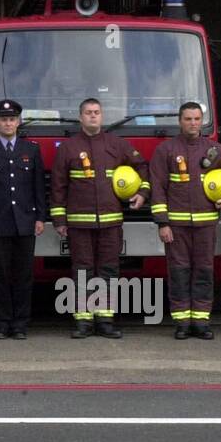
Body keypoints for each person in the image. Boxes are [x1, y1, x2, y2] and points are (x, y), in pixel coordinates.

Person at [49, 97, 149, 340]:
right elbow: (58, 187)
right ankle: (83, 321)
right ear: (81, 117)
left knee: (108, 270)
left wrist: (142, 193)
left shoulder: (117, 144)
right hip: (79, 224)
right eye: (88, 112)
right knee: (82, 270)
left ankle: (105, 320)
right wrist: (60, 221)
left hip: (111, 222)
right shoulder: (68, 148)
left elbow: (142, 168)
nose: (93, 116)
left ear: (102, 116)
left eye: (97, 112)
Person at [149, 101, 221, 340]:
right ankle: (182, 322)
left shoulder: (216, 150)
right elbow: (158, 188)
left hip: (206, 226)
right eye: (188, 119)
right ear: (180, 121)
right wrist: (162, 223)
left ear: (202, 121)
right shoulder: (166, 150)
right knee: (179, 272)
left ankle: (202, 321)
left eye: (196, 119)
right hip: (176, 227)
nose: (193, 123)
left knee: (204, 271)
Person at [0, 99, 45, 341]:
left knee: (24, 276)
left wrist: (40, 218)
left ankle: (21, 324)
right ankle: (2, 323)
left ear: (18, 122)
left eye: (12, 119)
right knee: (0, 276)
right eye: (4, 119)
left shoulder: (31, 149)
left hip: (25, 221)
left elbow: (37, 188)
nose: (8, 123)